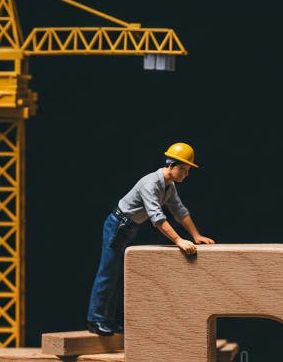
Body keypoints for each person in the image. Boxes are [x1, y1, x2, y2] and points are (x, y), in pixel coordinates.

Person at [86, 142, 214, 336]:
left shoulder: (169, 187)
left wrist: (196, 235)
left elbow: (179, 211)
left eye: (188, 170)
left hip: (129, 228)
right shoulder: (150, 184)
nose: (186, 174)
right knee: (108, 273)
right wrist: (179, 241)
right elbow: (157, 218)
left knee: (120, 276)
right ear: (170, 165)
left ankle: (109, 321)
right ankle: (95, 320)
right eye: (183, 169)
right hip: (118, 226)